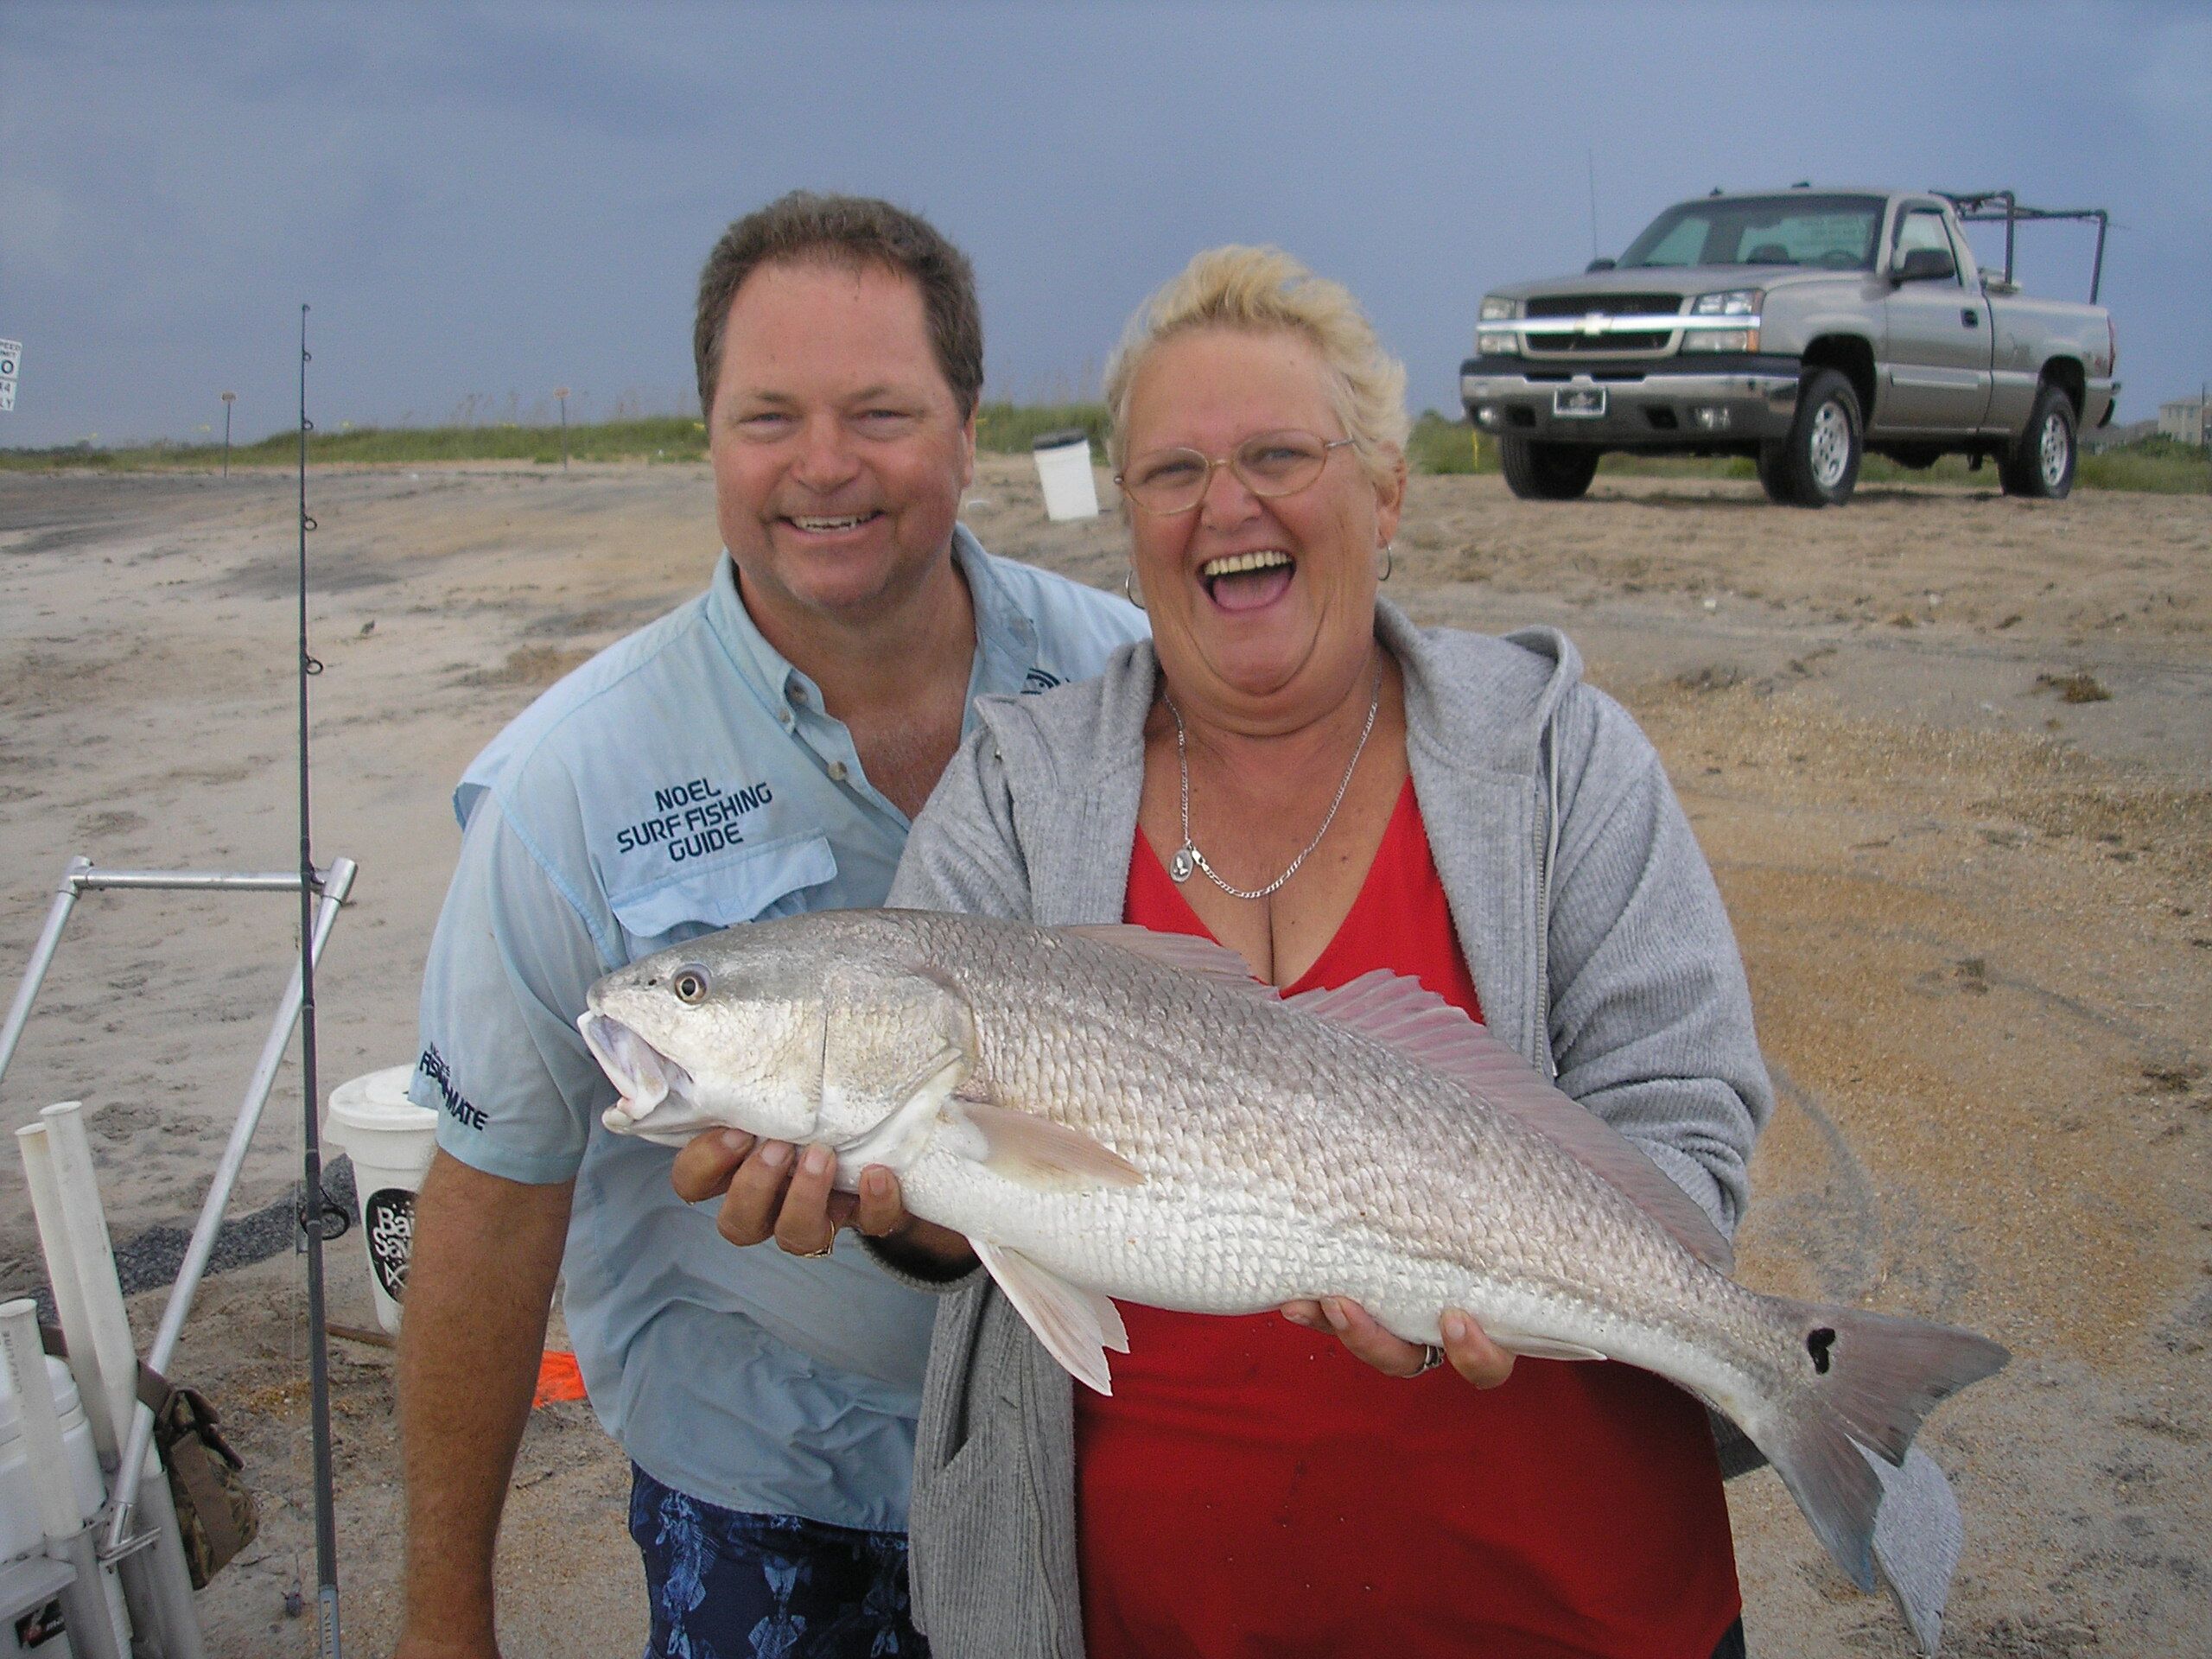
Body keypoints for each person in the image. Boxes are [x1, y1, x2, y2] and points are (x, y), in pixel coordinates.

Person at [875, 245, 1776, 1658]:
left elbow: (1687, 1102)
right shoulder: (1011, 792)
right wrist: (876, 1193)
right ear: (1129, 516)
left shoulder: (1558, 757)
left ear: (1388, 488)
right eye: (1172, 473)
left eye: (1280, 453)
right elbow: (952, 1201)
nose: (1226, 505)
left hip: (1580, 1614)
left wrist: (1508, 1275)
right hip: (1163, 1621)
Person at [394, 191, 1147, 1659]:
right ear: (709, 438)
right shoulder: (569, 786)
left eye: (879, 411)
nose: (822, 468)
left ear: (971, 429)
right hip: (767, 1491)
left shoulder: (1129, 683)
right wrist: (443, 1621)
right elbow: (490, 1201)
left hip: (1097, 1442)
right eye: (768, 418)